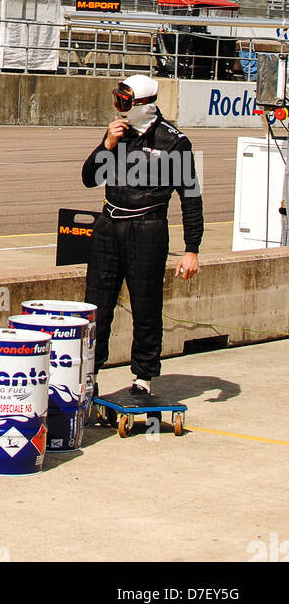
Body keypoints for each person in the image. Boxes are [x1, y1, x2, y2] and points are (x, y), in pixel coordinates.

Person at [82, 74, 203, 396]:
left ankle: (143, 378)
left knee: (146, 306)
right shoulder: (115, 135)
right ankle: (90, 372)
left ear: (143, 104)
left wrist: (192, 249)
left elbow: (191, 197)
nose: (117, 107)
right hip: (109, 225)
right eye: (116, 99)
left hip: (148, 229)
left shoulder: (173, 141)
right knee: (97, 306)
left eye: (123, 102)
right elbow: (89, 179)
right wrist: (105, 145)